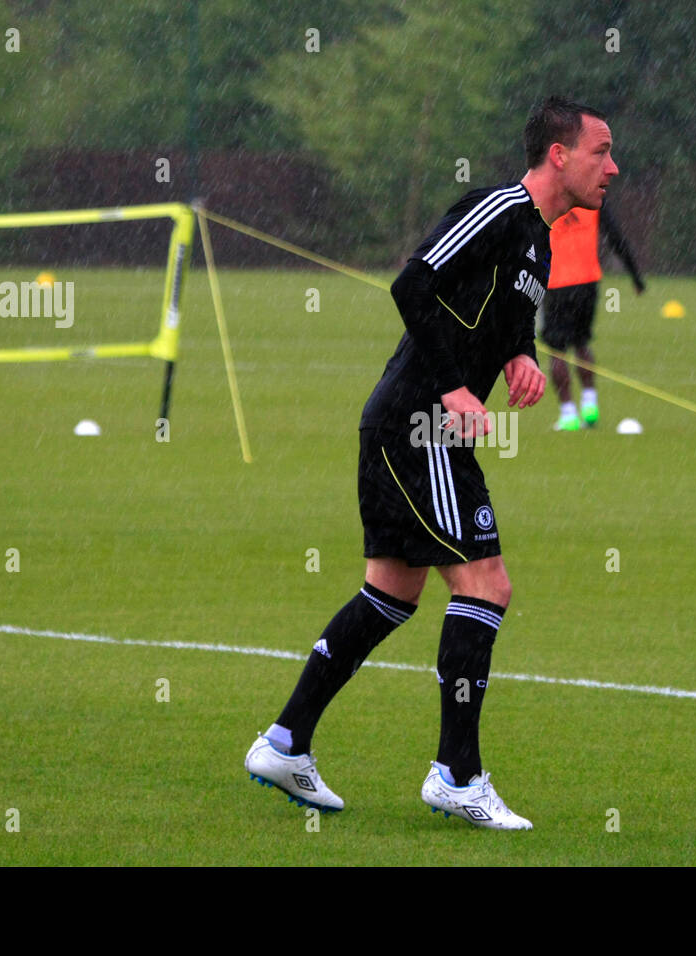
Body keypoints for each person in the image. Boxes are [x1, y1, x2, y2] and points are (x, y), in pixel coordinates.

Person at [245, 95, 619, 830]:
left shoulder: (540, 243)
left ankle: (285, 742)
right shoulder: (496, 210)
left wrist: (522, 360)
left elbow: (506, 325)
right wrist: (451, 387)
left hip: (412, 427)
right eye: (601, 151)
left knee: (391, 592)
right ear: (558, 154)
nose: (613, 166)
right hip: (418, 426)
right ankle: (457, 773)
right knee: (487, 584)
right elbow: (411, 283)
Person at [542, 202, 645, 431]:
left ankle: (568, 415)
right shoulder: (591, 198)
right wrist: (635, 277)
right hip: (587, 283)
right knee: (581, 343)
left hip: (556, 284)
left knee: (557, 350)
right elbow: (616, 237)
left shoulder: (548, 198)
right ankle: (590, 404)